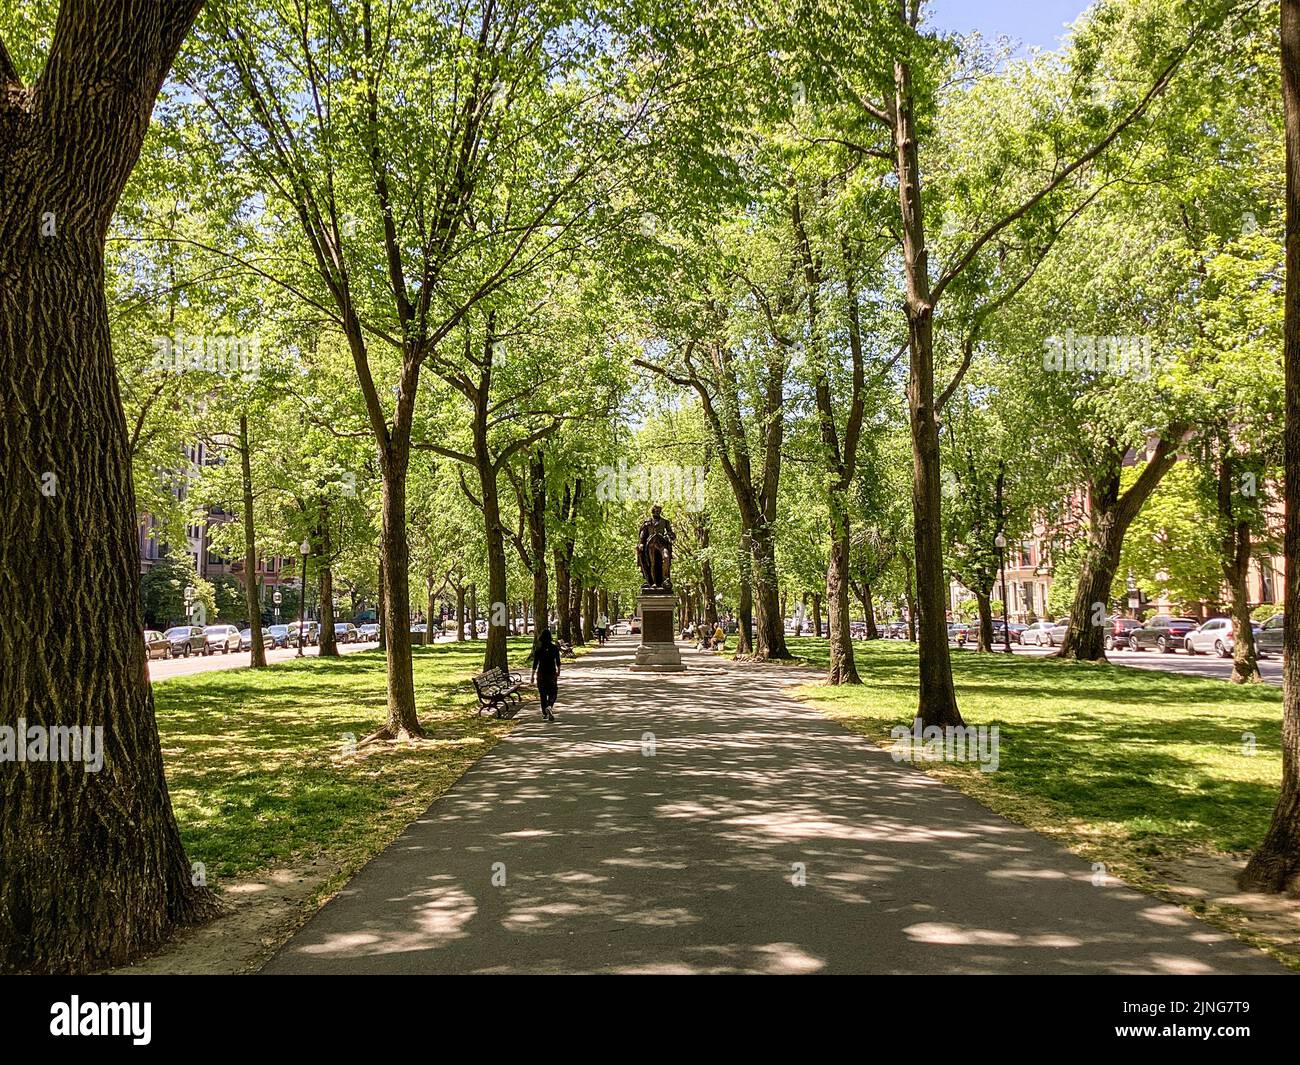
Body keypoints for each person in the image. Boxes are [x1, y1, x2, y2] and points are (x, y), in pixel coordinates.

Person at [530, 628, 562, 722]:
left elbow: (535, 664)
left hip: (541, 674)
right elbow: (558, 661)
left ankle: (544, 713)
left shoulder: (538, 650)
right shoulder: (554, 648)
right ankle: (549, 705)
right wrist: (559, 671)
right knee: (553, 692)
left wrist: (532, 676)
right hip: (551, 673)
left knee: (543, 694)